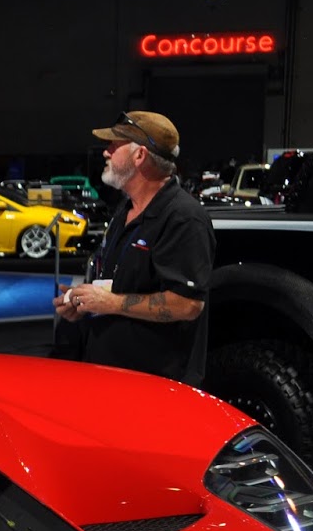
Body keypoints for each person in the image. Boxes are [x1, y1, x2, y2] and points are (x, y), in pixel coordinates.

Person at [52, 111, 215, 385]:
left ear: (139, 156)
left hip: (153, 387)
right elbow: (122, 282)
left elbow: (187, 304)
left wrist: (111, 303)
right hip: (110, 375)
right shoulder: (126, 209)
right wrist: (85, 302)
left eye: (114, 146)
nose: (106, 152)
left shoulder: (183, 218)